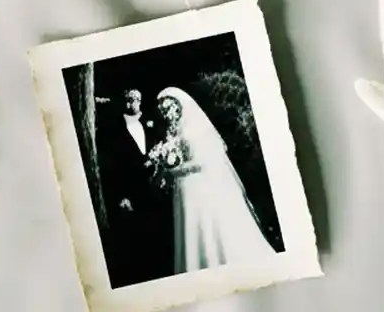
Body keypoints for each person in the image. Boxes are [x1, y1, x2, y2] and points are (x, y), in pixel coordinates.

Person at [152, 87, 276, 273]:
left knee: (205, 227)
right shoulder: (172, 133)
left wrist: (176, 171)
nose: (167, 114)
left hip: (198, 186)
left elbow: (204, 161)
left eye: (168, 108)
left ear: (178, 107)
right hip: (183, 188)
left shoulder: (193, 129)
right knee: (188, 230)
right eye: (163, 110)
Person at [97, 88, 169, 286]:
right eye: (128, 99)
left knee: (159, 232)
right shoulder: (114, 130)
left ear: (140, 101)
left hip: (155, 189)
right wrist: (121, 196)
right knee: (136, 238)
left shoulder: (151, 124)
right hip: (131, 191)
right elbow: (112, 166)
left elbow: (160, 148)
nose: (131, 103)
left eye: (135, 99)